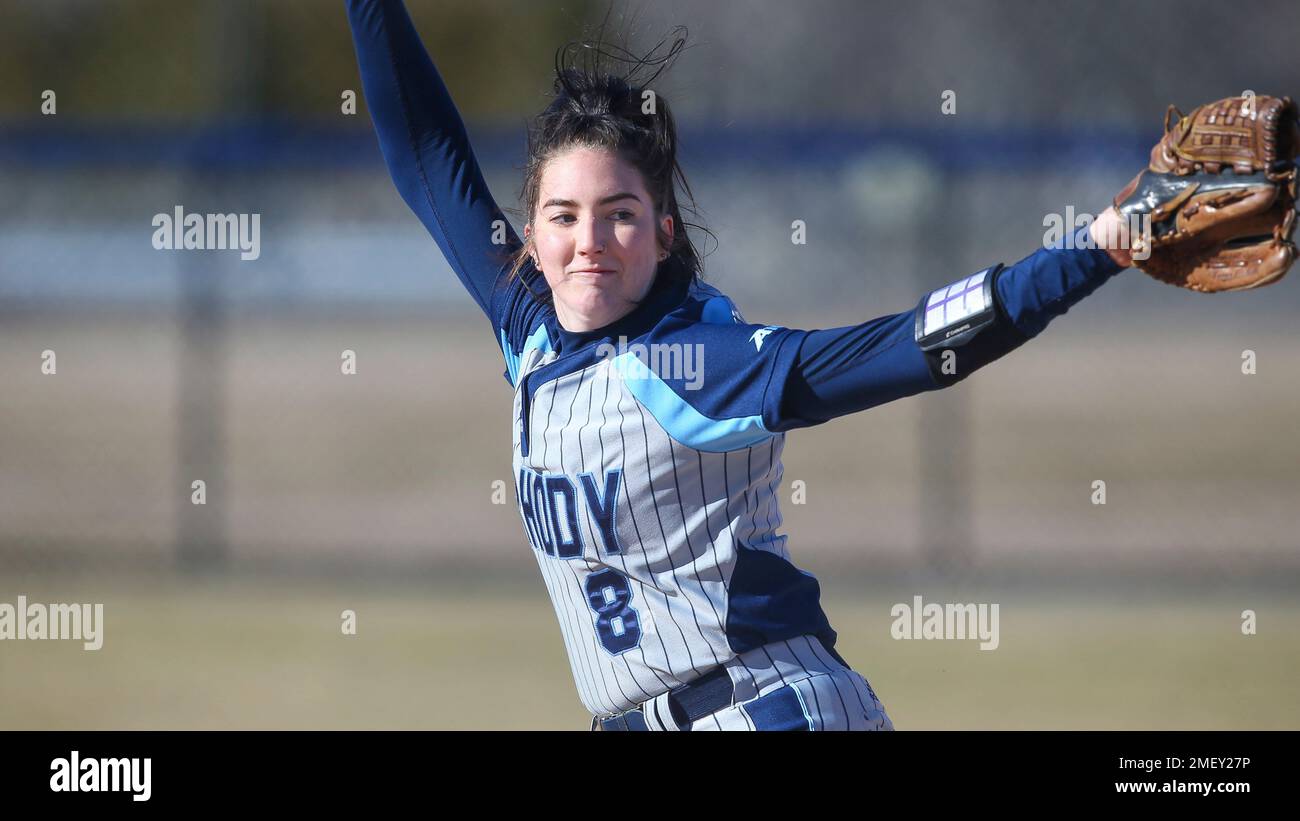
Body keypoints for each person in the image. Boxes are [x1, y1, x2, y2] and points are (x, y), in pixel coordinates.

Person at [344, 0, 1133, 731]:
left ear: (661, 231)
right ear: (533, 233)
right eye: (563, 215)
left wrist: (1100, 246)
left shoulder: (698, 366)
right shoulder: (533, 330)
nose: (588, 241)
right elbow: (423, 154)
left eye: (619, 215)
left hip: (766, 708)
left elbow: (917, 345)